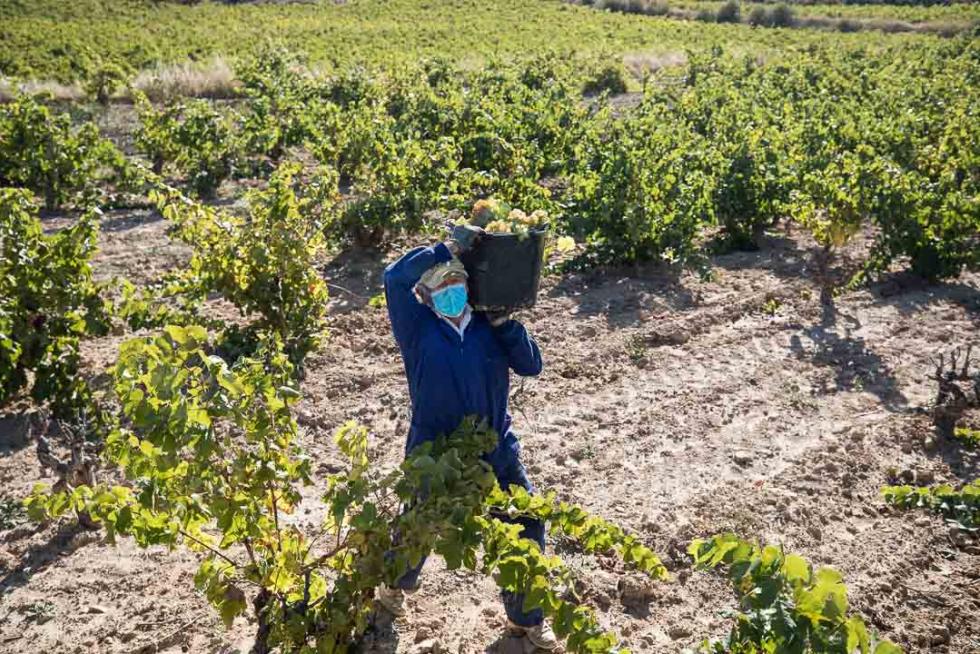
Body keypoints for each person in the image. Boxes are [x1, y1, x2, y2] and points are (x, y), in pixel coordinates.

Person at [376, 224, 558, 650]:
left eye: (457, 281)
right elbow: (392, 278)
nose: (450, 291)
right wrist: (447, 249)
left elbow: (532, 366)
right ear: (427, 295)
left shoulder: (488, 327)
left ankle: (527, 620)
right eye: (441, 285)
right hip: (434, 447)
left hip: (494, 443)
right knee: (419, 523)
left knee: (525, 523)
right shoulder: (417, 331)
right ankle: (390, 594)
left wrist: (507, 323)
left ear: (470, 288)